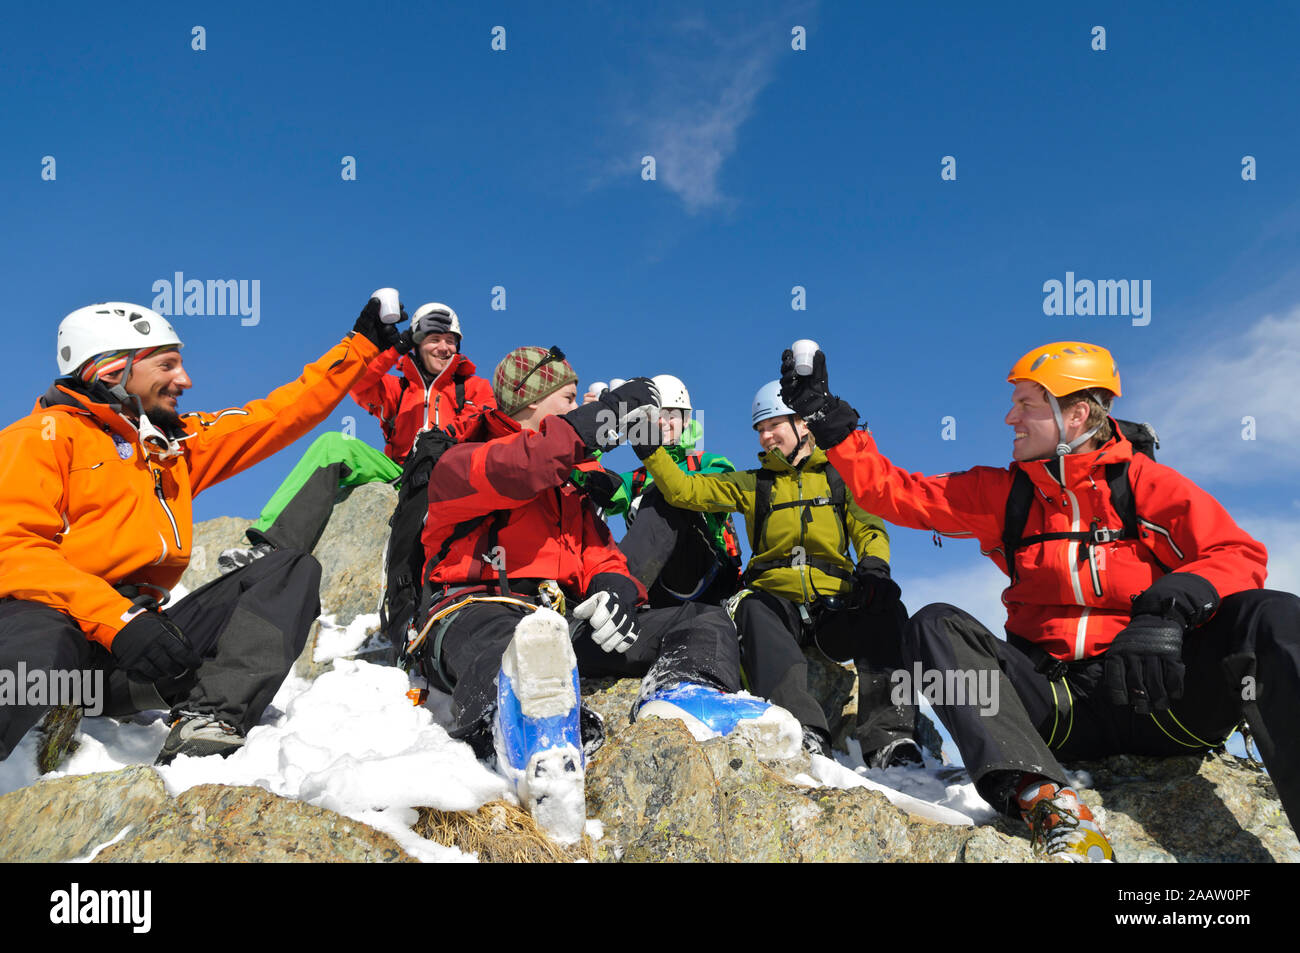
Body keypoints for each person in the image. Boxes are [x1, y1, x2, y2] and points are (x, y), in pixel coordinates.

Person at [780, 341, 1300, 860]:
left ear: (1076, 414)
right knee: (935, 624)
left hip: (1157, 698)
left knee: (1273, 615)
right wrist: (831, 424)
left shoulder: (1141, 483)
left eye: (1027, 404)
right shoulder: (1006, 495)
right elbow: (891, 493)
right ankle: (1047, 802)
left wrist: (1168, 608)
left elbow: (1236, 554)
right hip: (1059, 710)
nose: (1011, 417)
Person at [409, 347, 799, 842]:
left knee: (698, 619)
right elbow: (524, 465)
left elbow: (604, 556)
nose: (576, 409)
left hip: (556, 621)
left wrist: (613, 588)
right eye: (569, 398)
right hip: (473, 611)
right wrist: (604, 417)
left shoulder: (569, 494)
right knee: (506, 644)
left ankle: (685, 690)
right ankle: (514, 731)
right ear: (530, 401)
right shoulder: (462, 461)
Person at [0, 300, 386, 765]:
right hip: (55, 632)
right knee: (41, 641)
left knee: (287, 569)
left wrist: (359, 348)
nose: (185, 381)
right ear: (109, 371)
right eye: (167, 364)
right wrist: (116, 620)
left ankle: (207, 723)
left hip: (130, 656)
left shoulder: (172, 447)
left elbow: (278, 415)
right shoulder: (41, 436)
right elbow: (14, 552)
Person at [627, 379, 920, 765]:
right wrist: (652, 453)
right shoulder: (754, 484)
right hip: (775, 599)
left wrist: (874, 568)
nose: (765, 437)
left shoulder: (839, 477)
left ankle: (890, 740)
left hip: (835, 601)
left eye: (773, 426)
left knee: (886, 610)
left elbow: (868, 528)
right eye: (760, 429)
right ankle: (805, 730)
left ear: (803, 425)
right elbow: (685, 491)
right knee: (753, 608)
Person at [218, 300, 494, 570]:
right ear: (418, 341)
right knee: (333, 445)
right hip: (400, 474)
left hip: (449, 483)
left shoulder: (474, 387)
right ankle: (272, 548)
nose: (444, 347)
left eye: (451, 340)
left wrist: (443, 437)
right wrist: (396, 348)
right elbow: (358, 383)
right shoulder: (398, 387)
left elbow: (484, 419)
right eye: (435, 338)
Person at [578, 374, 743, 608]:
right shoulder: (636, 479)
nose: (663, 422)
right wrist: (589, 437)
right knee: (587, 495)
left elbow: (689, 492)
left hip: (705, 577)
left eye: (671, 415)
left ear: (686, 420)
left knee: (666, 493)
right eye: (655, 416)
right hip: (655, 587)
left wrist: (653, 453)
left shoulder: (712, 464)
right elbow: (592, 487)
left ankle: (614, 593)